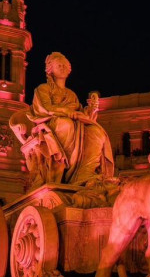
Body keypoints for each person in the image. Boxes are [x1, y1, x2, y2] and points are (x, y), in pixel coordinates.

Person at [9, 52, 114, 187]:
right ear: (50, 69)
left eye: (65, 65)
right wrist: (66, 111)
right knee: (66, 124)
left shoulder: (71, 94)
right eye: (59, 65)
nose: (63, 67)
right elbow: (45, 108)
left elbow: (81, 114)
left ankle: (84, 173)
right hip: (49, 124)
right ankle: (64, 170)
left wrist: (91, 110)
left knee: (96, 131)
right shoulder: (43, 89)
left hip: (74, 125)